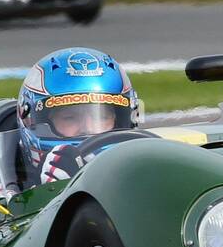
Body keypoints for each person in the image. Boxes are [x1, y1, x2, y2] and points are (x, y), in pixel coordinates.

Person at [17, 47, 142, 184]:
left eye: (102, 117)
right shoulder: (8, 187)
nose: (88, 128)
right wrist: (52, 191)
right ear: (30, 120)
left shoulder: (141, 171)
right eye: (70, 117)